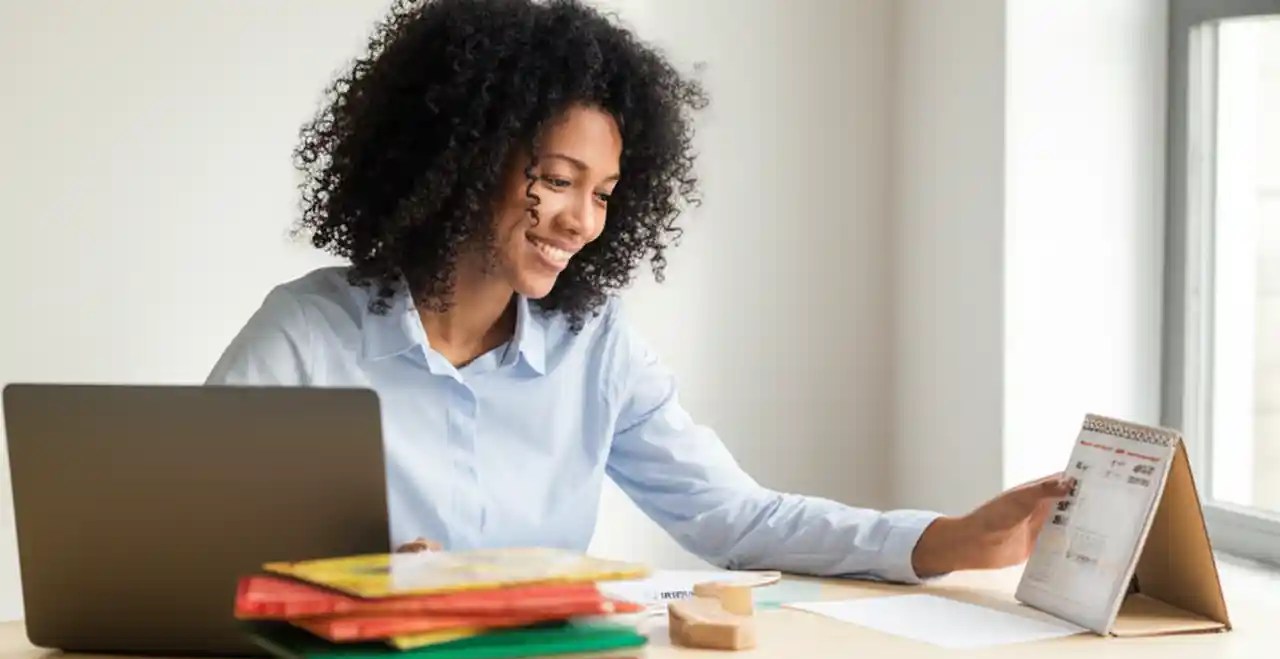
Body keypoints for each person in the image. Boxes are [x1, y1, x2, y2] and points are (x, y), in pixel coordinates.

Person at [207, 0, 1070, 583]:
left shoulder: (595, 348)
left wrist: (945, 541)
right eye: (556, 178)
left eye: (606, 193)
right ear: (461, 163)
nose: (583, 221)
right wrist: (347, 572)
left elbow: (738, 517)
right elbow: (193, 542)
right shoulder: (308, 335)